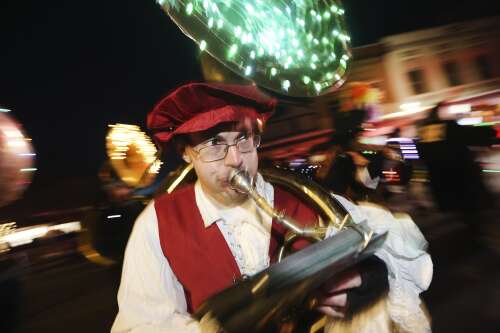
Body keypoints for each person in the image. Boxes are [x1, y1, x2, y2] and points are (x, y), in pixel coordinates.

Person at [112, 83, 432, 333]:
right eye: (214, 143)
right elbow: (141, 323)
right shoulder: (156, 222)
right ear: (186, 153)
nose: (235, 158)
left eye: (243, 139)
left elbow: (396, 252)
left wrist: (367, 280)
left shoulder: (302, 196)